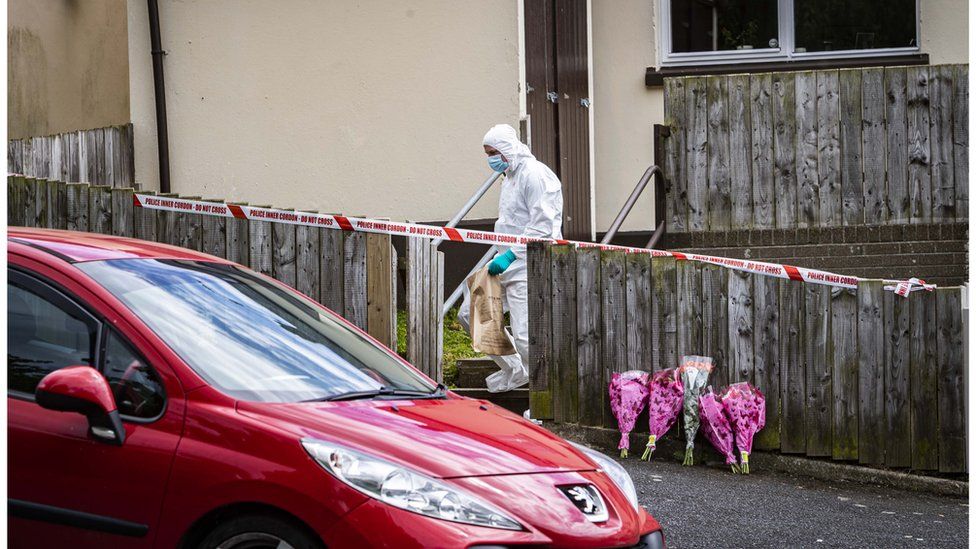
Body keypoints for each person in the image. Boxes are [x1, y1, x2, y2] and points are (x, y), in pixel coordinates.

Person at [458, 124, 563, 393]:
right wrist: (501, 257)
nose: (491, 158)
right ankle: (517, 370)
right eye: (487, 153)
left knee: (528, 336)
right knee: (471, 314)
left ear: (507, 149)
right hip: (504, 263)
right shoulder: (510, 176)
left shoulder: (536, 175)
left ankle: (543, 400)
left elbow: (543, 227)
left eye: (494, 152)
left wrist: (510, 256)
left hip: (529, 266)